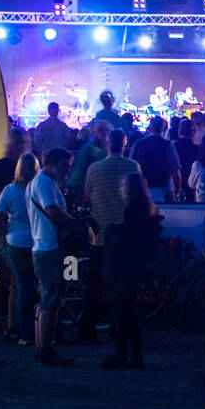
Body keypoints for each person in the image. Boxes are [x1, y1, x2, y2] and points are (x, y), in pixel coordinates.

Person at [79, 128, 139, 341]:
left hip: (101, 235)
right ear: (125, 145)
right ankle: (118, 330)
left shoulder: (94, 169)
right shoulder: (133, 167)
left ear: (107, 144)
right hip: (125, 236)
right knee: (122, 286)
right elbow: (137, 198)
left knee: (94, 285)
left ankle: (87, 331)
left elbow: (86, 196)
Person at [103, 173, 163, 368]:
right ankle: (134, 355)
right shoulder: (148, 208)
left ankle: (124, 354)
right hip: (138, 264)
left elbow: (129, 237)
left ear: (127, 189)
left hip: (127, 264)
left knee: (122, 309)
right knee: (130, 310)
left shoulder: (131, 209)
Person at [28, 147, 76, 366]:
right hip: (49, 247)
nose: (69, 170)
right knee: (51, 301)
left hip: (41, 247)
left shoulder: (38, 183)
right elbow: (52, 211)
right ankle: (45, 350)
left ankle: (43, 348)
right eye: (66, 166)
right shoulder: (45, 184)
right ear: (51, 164)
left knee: (46, 300)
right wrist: (76, 223)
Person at [0, 153, 40, 345]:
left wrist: (6, 235)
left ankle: (21, 329)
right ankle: (40, 328)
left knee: (20, 286)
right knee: (39, 285)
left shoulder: (9, 191)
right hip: (37, 241)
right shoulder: (38, 189)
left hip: (15, 241)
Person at [127, 115, 182, 202]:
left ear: (149, 128)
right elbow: (176, 172)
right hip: (163, 189)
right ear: (164, 129)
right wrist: (176, 191)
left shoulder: (138, 144)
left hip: (141, 189)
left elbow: (130, 167)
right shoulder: (167, 145)